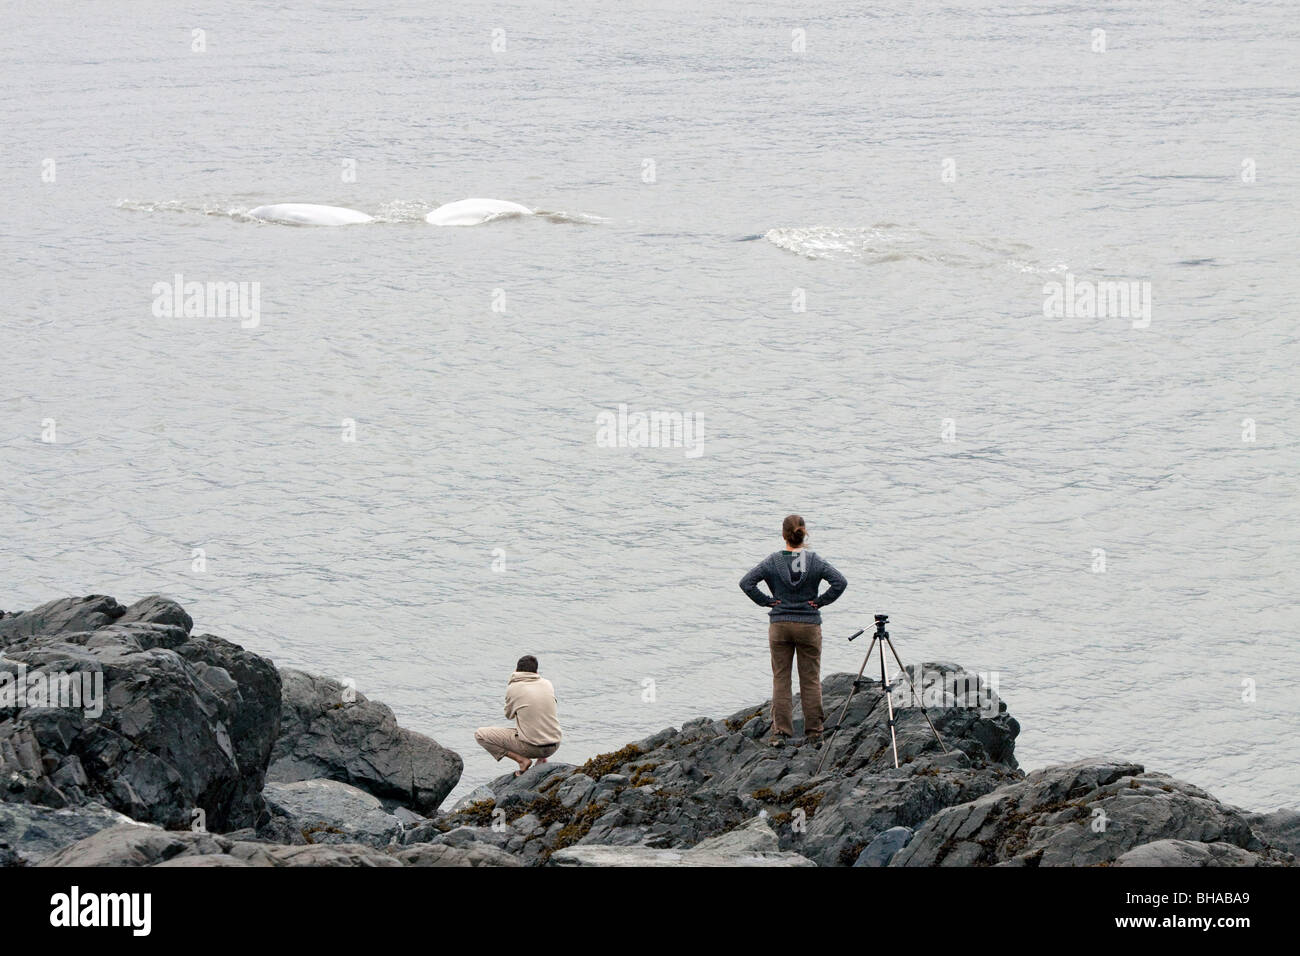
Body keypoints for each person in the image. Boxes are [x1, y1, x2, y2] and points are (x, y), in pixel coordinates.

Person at [739, 514, 847, 746]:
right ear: (803, 534)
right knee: (810, 680)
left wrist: (767, 601)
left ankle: (781, 733)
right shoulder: (814, 560)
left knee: (781, 678)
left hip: (780, 625)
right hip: (808, 625)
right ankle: (814, 732)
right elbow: (840, 582)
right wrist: (820, 602)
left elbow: (746, 583)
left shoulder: (773, 561)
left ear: (783, 535)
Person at [474, 655, 563, 776]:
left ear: (516, 670)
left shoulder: (514, 688)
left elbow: (508, 715)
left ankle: (522, 761)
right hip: (554, 745)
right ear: (536, 672)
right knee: (538, 717)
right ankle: (542, 759)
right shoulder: (548, 684)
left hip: (533, 747)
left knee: (480, 735)